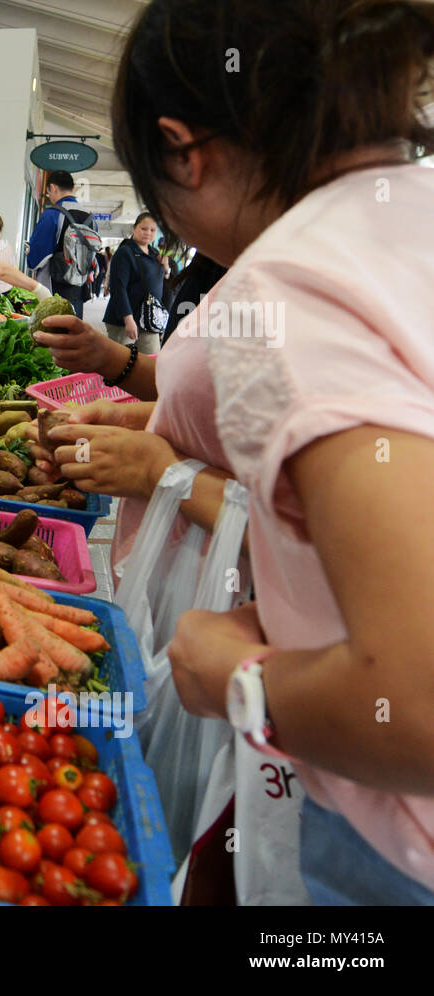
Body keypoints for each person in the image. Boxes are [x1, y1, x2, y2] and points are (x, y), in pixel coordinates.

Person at [27, 0, 434, 905]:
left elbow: (416, 702)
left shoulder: (288, 288)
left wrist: (238, 676)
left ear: (183, 148)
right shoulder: (406, 220)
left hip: (379, 847)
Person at [25, 170, 97, 316]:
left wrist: (29, 253)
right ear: (73, 189)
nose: (49, 196)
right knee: (73, 333)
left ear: (53, 188)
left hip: (53, 290)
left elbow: (37, 258)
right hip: (79, 290)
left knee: (51, 333)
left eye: (48, 192)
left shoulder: (52, 214)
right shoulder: (91, 219)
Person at [104, 212, 168, 354]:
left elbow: (159, 282)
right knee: (122, 364)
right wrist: (128, 319)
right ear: (134, 229)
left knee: (151, 362)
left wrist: (166, 269)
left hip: (148, 321)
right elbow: (118, 288)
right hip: (124, 321)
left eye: (152, 230)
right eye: (143, 228)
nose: (148, 233)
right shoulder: (125, 253)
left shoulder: (154, 253)